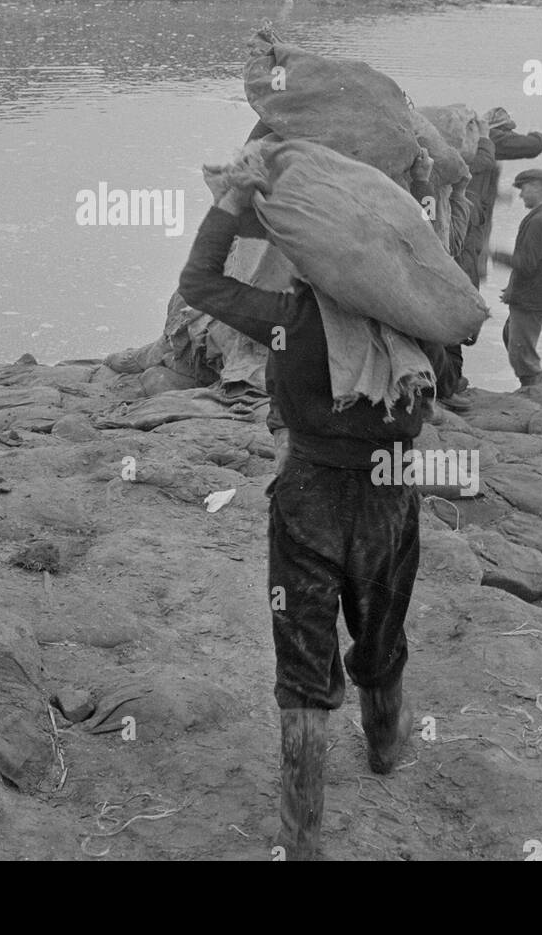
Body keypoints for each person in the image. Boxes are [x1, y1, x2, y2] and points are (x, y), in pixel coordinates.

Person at [178, 156, 432, 861]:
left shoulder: (287, 320)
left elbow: (200, 281)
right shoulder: (414, 325)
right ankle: (384, 747)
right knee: (380, 634)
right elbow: (449, 309)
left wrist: (231, 202)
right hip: (387, 499)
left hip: (307, 499)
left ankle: (302, 835)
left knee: (303, 665)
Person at [442, 108, 542, 403]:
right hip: (470, 233)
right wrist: (541, 140)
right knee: (463, 304)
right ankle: (453, 380)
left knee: (463, 306)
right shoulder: (486, 140)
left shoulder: (466, 148)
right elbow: (526, 147)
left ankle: (452, 377)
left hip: (469, 231)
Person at [490, 168, 542, 387]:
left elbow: (526, 264)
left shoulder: (540, 221)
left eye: (523, 188)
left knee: (521, 353)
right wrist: (512, 289)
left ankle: (535, 392)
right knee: (511, 336)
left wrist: (494, 253)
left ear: (536, 186)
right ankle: (533, 388)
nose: (521, 195)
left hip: (532, 299)